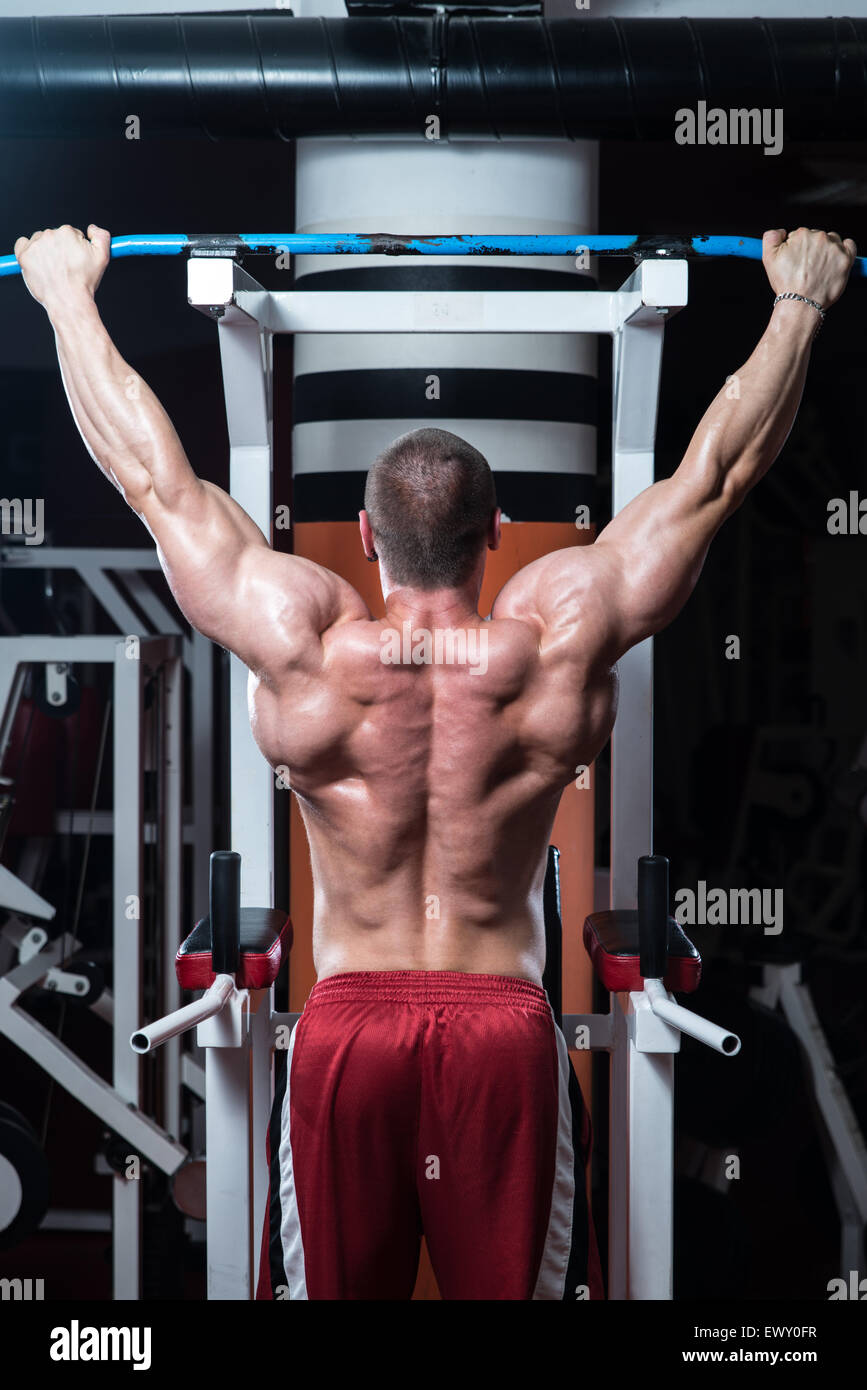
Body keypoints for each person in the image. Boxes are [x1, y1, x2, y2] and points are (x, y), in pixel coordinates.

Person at [15, 223, 856, 1300]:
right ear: (500, 529)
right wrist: (799, 306)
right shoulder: (553, 643)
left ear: (363, 536)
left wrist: (67, 300)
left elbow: (154, 482)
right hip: (501, 1033)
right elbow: (716, 478)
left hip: (346, 1031)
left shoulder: (304, 644)